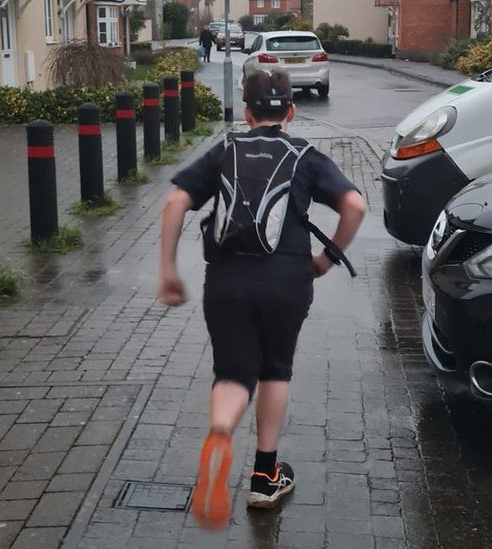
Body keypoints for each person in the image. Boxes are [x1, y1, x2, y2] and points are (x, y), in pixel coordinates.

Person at [158, 70, 366, 529]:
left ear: (246, 112)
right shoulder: (306, 156)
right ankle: (264, 477)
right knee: (275, 369)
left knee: (233, 372)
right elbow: (355, 205)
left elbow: (174, 203)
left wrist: (168, 271)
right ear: (291, 111)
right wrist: (327, 258)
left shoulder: (224, 150)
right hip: (286, 281)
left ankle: (220, 432)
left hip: (227, 281)